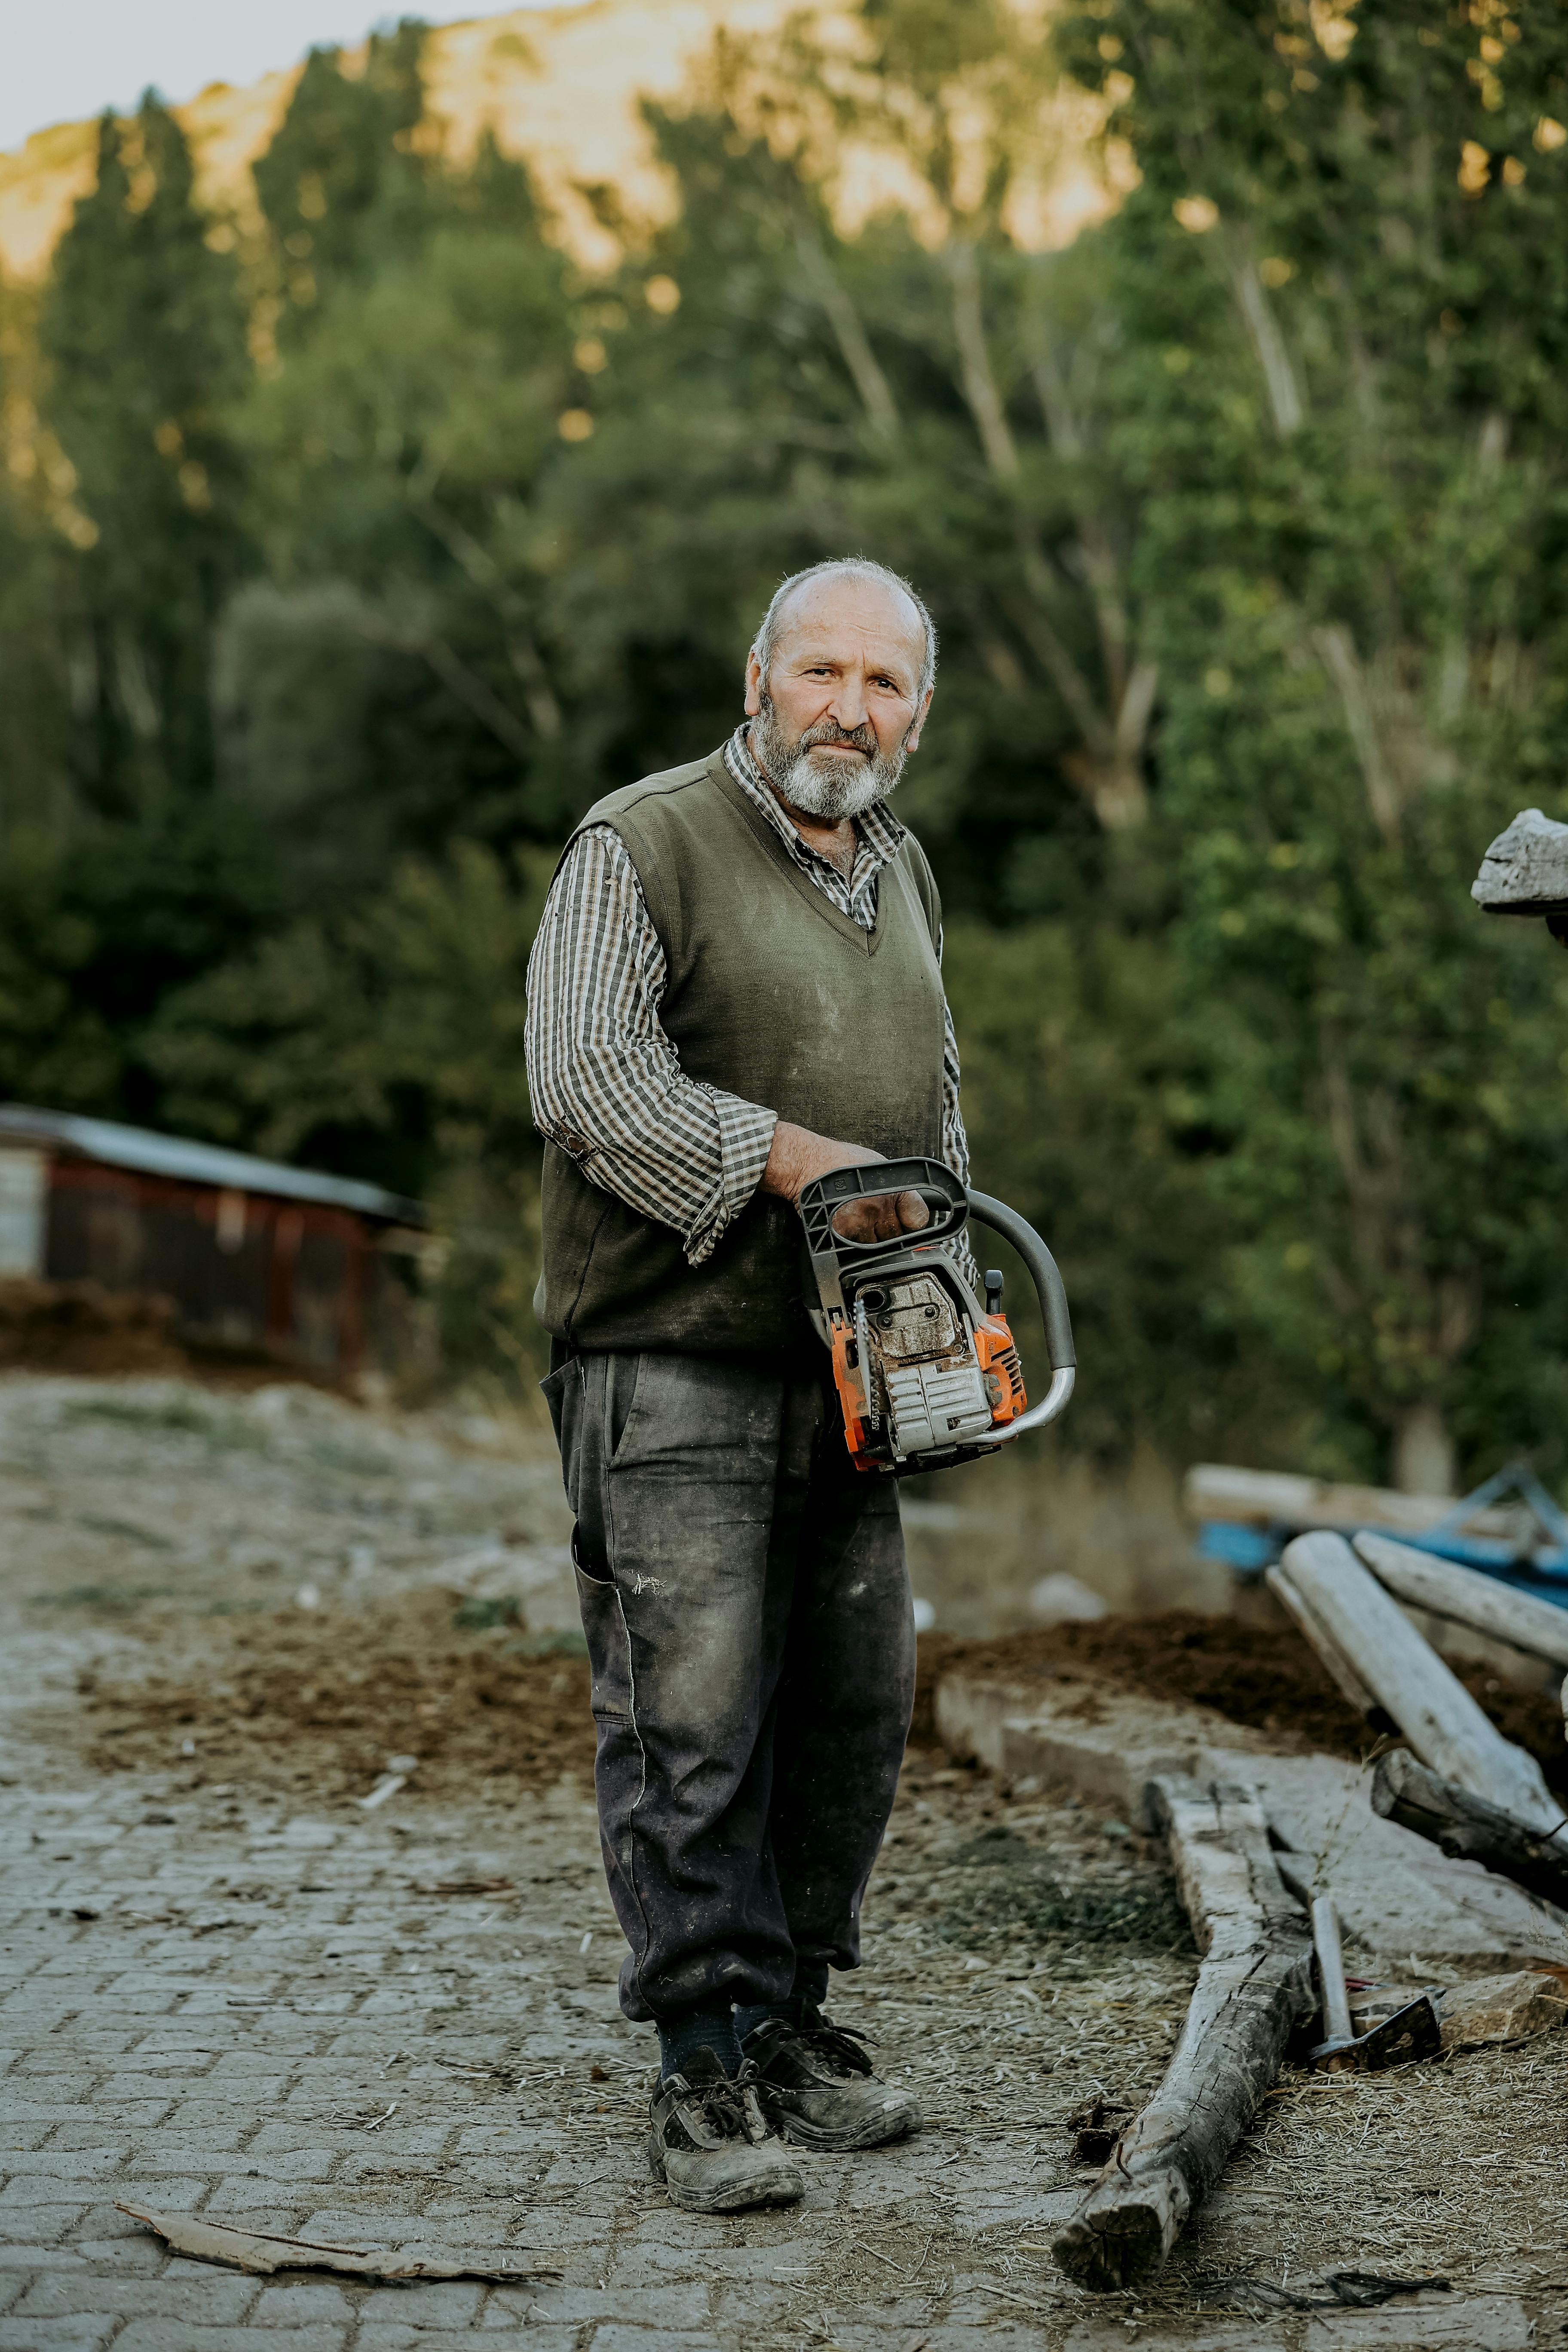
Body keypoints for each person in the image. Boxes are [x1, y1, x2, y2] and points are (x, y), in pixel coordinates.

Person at [524, 555, 978, 2212]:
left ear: (917, 715)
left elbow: (932, 1114)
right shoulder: (640, 841)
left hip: (853, 1367)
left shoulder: (902, 869)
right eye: (823, 674)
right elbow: (584, 1079)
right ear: (759, 675)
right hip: (672, 1358)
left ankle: (791, 2021)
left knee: (852, 1711)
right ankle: (702, 2061)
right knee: (692, 1718)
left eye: (885, 685)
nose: (849, 710)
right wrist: (794, 1164)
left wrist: (941, 1311)